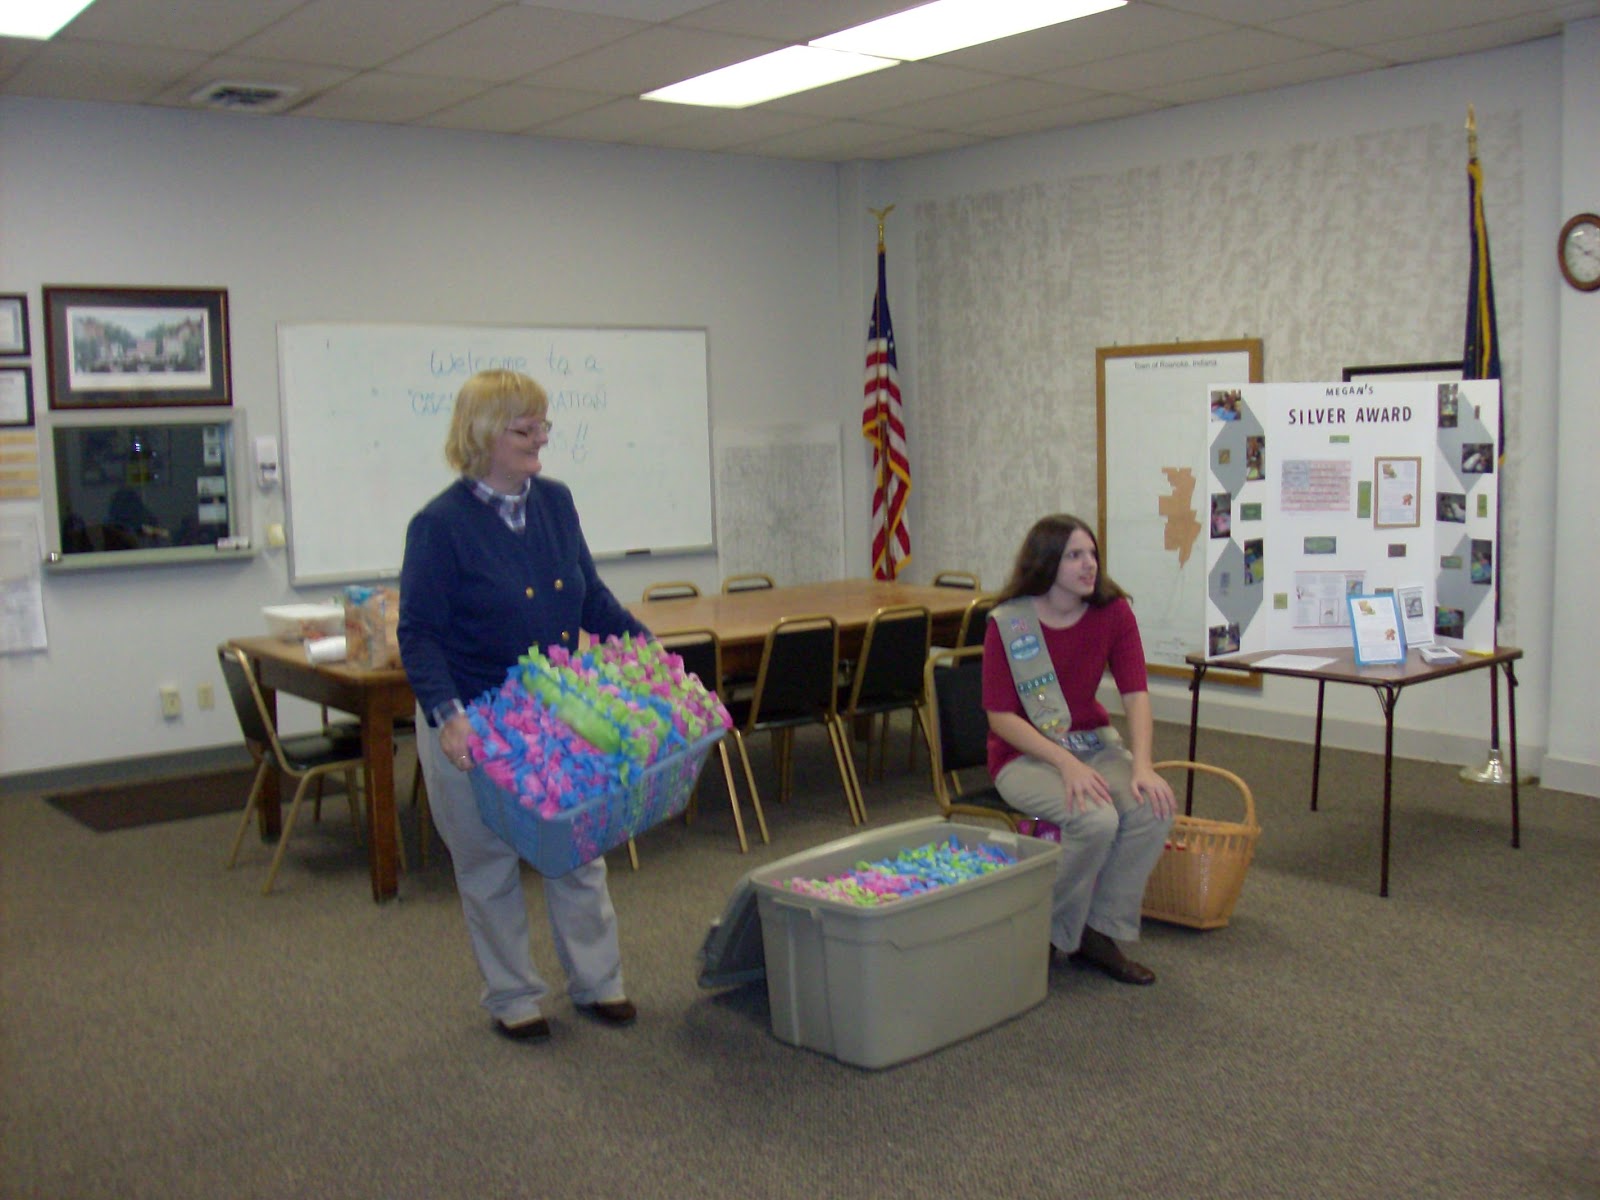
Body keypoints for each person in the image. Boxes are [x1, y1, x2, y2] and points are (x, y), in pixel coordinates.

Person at [399, 368, 651, 1044]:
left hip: (554, 717)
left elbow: (589, 595)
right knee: (487, 866)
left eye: (543, 425)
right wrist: (446, 713)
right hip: (471, 721)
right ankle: (514, 997)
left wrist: (645, 648)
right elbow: (418, 634)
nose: (541, 439)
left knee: (577, 853)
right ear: (483, 436)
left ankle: (599, 984)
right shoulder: (439, 526)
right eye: (524, 428)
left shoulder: (556, 503)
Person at [982, 514, 1176, 986]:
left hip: (1093, 745)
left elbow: (1136, 693)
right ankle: (1043, 928)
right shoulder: (1010, 623)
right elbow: (1000, 717)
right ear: (1047, 563)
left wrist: (1144, 767)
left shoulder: (1113, 613)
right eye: (1074, 555)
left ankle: (1096, 930)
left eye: (1091, 554)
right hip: (1024, 756)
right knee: (1095, 818)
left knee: (1152, 806)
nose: (1089, 564)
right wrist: (1065, 764)